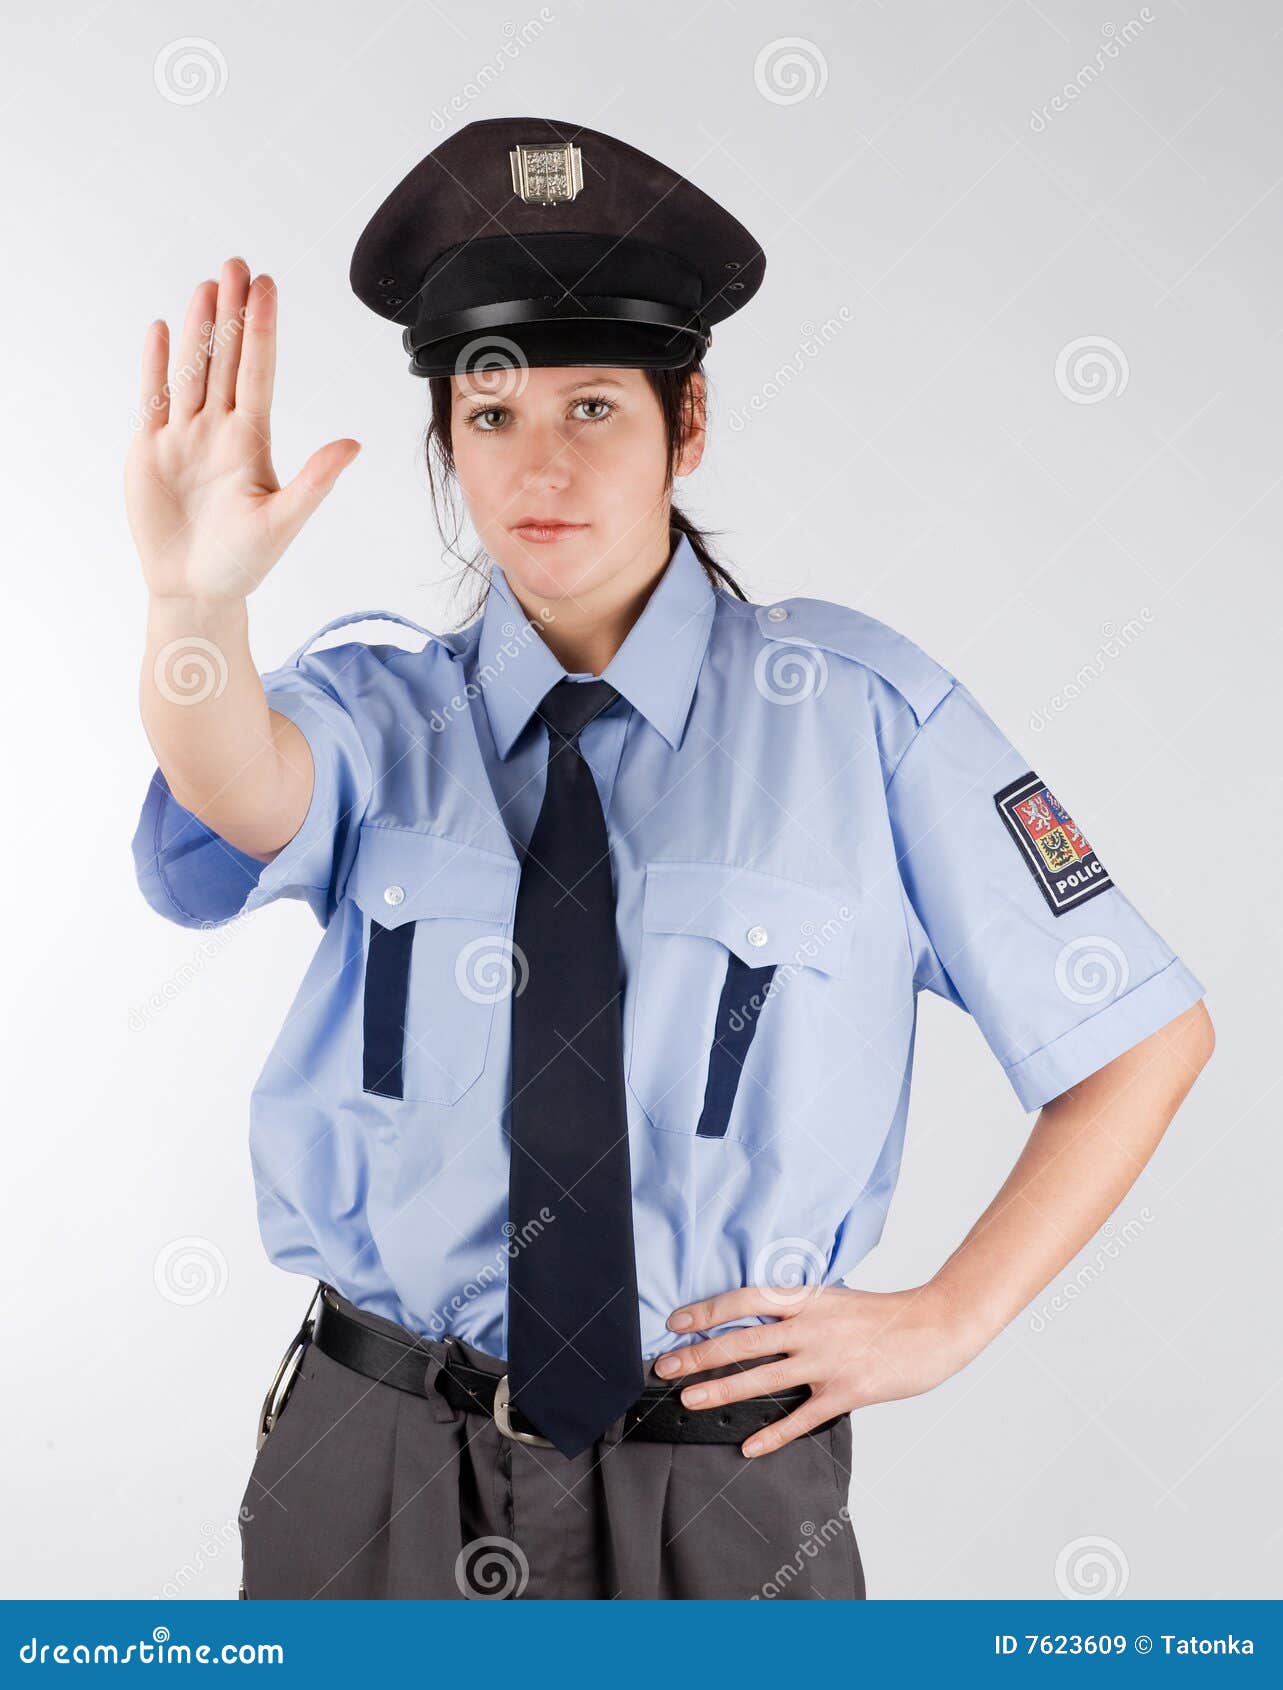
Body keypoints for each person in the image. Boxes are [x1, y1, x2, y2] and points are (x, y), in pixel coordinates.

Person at [128, 118, 1214, 1602]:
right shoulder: (380, 710)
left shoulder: (861, 719)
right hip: (372, 1471)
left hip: (722, 1489)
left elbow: (1140, 1035)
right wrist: (192, 608)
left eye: (594, 407)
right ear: (443, 437)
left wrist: (948, 1316)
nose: (541, 463)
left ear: (685, 424)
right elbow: (240, 786)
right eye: (491, 412)